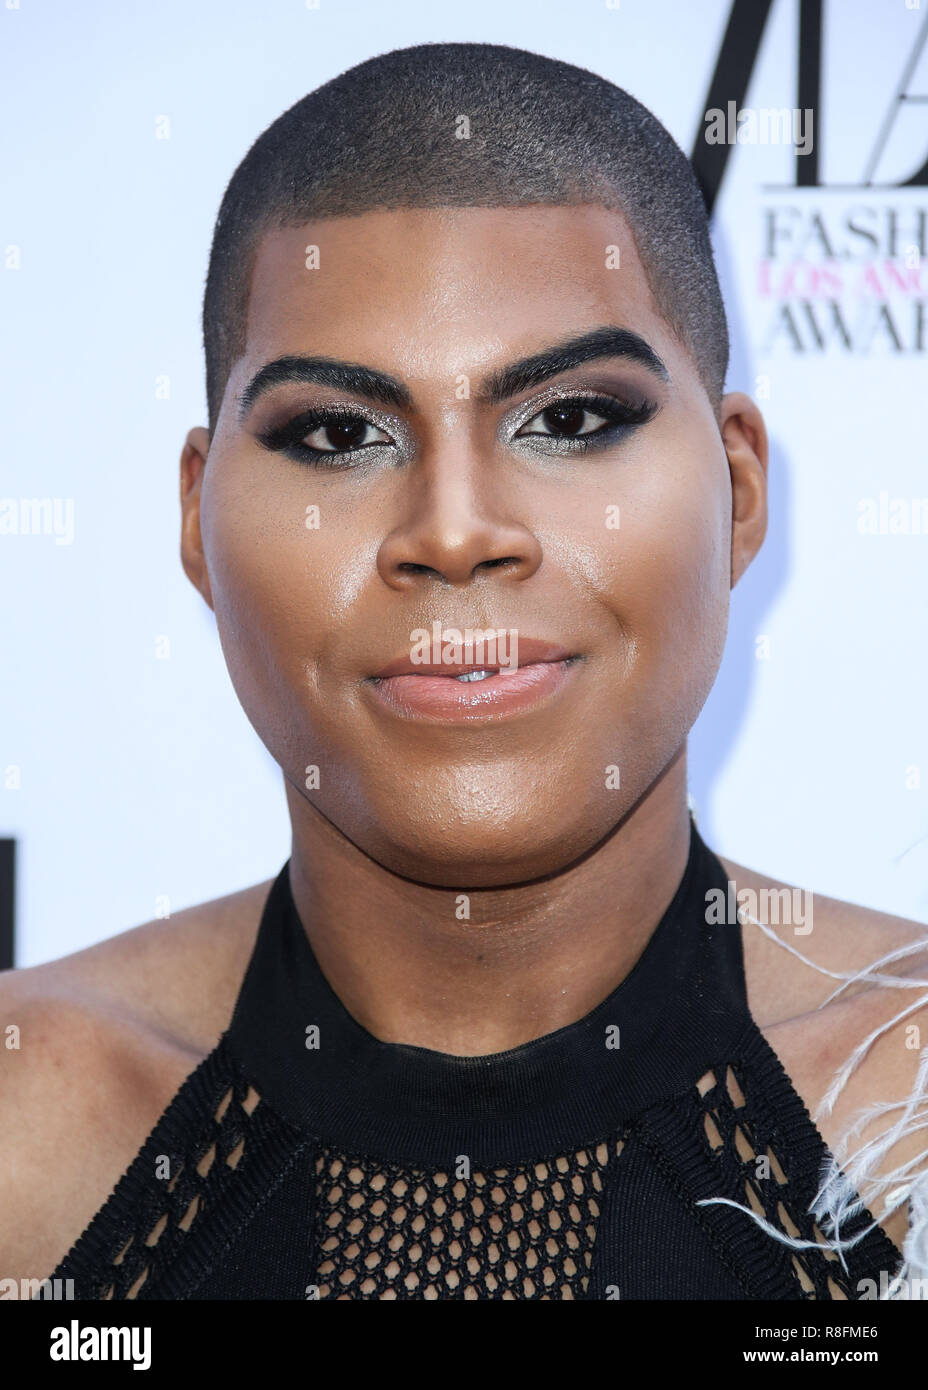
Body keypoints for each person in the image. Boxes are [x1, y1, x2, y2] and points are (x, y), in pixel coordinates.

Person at [2, 41, 926, 1302]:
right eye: (336, 434)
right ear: (195, 521)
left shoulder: (907, 1105)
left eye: (572, 418)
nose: (451, 529)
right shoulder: (23, 1130)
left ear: (740, 490)